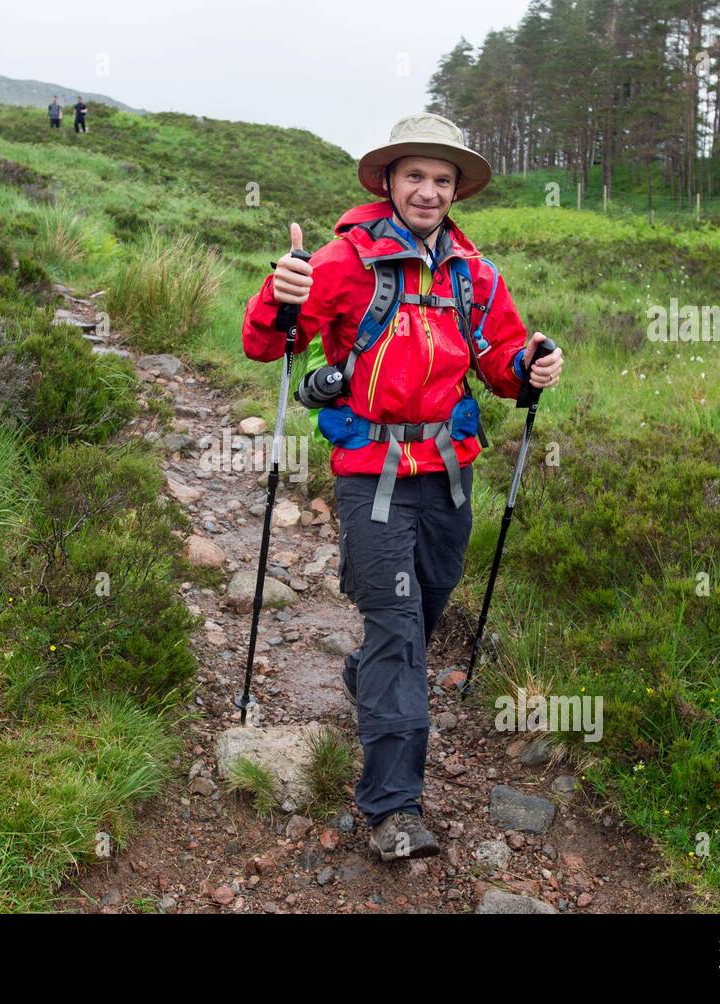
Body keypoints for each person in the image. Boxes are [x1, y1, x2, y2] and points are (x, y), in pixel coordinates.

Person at [241, 113, 564, 862]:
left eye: (442, 179)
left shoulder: (474, 273)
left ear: (456, 192)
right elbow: (268, 344)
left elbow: (500, 357)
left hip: (449, 475)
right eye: (414, 175)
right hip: (371, 479)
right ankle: (393, 807)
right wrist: (282, 290)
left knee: (426, 609)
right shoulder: (344, 259)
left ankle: (362, 677)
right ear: (388, 181)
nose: (428, 190)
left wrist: (531, 366)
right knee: (397, 631)